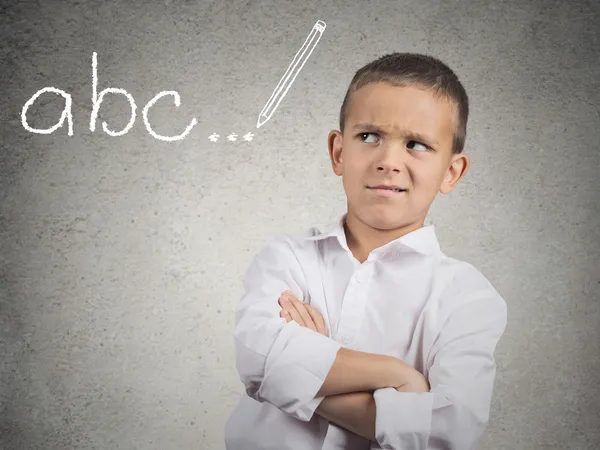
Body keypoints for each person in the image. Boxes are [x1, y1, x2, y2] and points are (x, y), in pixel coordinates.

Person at [224, 52, 508, 449]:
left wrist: (305, 366)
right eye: (369, 136)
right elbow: (258, 360)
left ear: (451, 172)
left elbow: (447, 431)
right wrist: (398, 376)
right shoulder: (286, 259)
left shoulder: (468, 297)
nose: (389, 161)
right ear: (338, 152)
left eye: (416, 144)